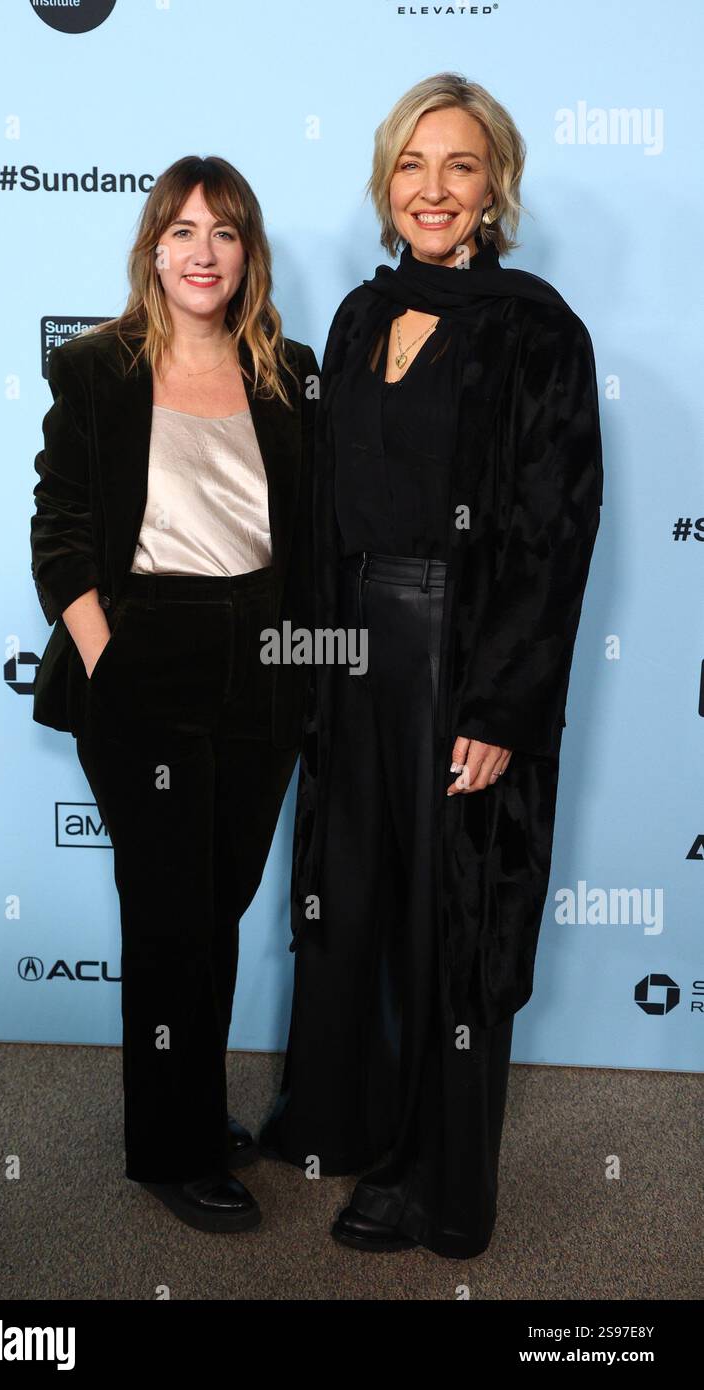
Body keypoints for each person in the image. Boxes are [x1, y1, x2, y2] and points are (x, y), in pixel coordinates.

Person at [260, 73, 604, 1258]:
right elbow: (322, 514)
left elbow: (554, 534)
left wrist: (503, 702)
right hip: (350, 647)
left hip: (457, 656)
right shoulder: (359, 320)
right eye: (413, 165)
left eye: (459, 166)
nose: (433, 189)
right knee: (348, 892)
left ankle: (431, 1176)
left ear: (494, 185)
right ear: (386, 181)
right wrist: (304, 657)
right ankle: (340, 1115)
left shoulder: (537, 329)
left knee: (444, 914)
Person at [30, 156, 319, 1234]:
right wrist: (112, 661)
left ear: (249, 253)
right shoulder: (99, 369)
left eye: (225, 231)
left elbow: (311, 540)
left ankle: (191, 1103)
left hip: (264, 662)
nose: (204, 250)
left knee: (220, 906)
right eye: (183, 229)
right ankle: (170, 1146)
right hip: (144, 655)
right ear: (154, 248)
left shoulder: (289, 372)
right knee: (166, 920)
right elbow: (58, 534)